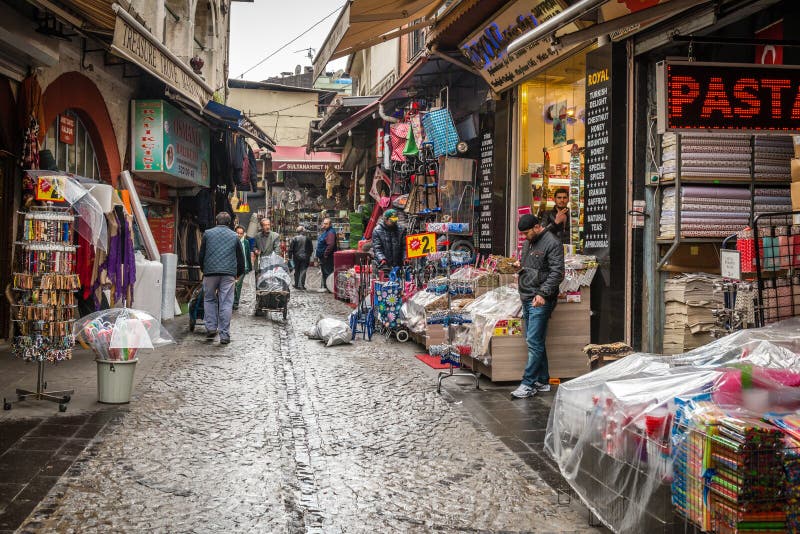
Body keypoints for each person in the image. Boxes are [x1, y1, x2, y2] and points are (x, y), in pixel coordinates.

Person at [511, 213, 564, 399]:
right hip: (526, 296)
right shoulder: (528, 243)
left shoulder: (552, 243)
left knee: (533, 341)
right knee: (536, 341)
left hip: (540, 298)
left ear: (536, 227)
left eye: (527, 233)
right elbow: (529, 266)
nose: (525, 237)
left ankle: (528, 383)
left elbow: (557, 273)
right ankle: (542, 380)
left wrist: (543, 294)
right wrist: (520, 267)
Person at [199, 212, 245, 345]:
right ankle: (224, 335)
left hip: (210, 272)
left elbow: (202, 254)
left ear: (216, 221)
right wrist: (238, 273)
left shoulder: (207, 234)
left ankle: (211, 328)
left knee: (209, 299)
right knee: (226, 303)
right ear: (230, 223)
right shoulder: (234, 236)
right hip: (228, 274)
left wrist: (203, 268)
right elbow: (240, 257)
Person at [233, 225, 252, 309]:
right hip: (233, 267)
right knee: (232, 285)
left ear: (243, 234)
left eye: (241, 233)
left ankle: (235, 302)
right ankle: (231, 301)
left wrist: (249, 267)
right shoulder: (232, 241)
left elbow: (247, 255)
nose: (239, 235)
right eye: (237, 233)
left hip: (243, 267)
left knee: (238, 285)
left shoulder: (246, 242)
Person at [288, 226, 313, 290]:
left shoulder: (294, 239)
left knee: (297, 271)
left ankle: (296, 284)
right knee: (303, 271)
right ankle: (302, 285)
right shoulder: (308, 238)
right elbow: (311, 249)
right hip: (305, 257)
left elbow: (291, 249)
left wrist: (290, 257)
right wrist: (308, 255)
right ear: (303, 231)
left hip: (296, 257)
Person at [316, 218, 337, 291]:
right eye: (324, 223)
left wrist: (325, 254)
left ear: (330, 224)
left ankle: (329, 288)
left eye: (326, 224)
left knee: (328, 272)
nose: (324, 225)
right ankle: (325, 287)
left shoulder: (330, 232)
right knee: (325, 272)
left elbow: (330, 245)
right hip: (324, 257)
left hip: (327, 257)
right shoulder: (326, 231)